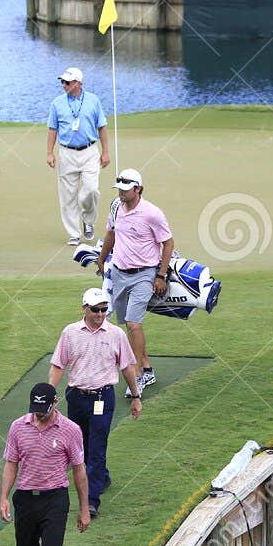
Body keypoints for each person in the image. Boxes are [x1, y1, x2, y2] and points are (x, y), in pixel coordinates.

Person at [0, 383, 90, 546]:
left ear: (55, 403)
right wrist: (3, 497)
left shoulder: (70, 430)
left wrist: (84, 509)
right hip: (25, 499)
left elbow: (79, 471)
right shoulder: (18, 427)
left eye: (44, 409)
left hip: (55, 500)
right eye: (36, 409)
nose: (39, 414)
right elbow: (11, 463)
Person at [48, 286, 141, 517]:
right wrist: (50, 394)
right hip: (76, 397)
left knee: (97, 446)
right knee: (81, 445)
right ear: (84, 308)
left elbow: (127, 367)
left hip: (102, 397)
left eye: (103, 309)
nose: (100, 314)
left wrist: (135, 396)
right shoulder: (70, 332)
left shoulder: (116, 334)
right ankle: (103, 476)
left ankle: (91, 500)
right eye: (95, 310)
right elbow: (58, 365)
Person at [94, 168, 173, 397]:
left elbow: (168, 243)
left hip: (144, 274)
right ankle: (147, 369)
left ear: (138, 189)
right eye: (119, 188)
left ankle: (136, 377)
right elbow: (111, 234)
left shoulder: (152, 214)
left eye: (125, 189)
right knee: (128, 325)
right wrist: (101, 259)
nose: (121, 193)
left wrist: (161, 275)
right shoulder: (115, 207)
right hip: (119, 273)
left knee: (133, 323)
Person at [44, 67, 112, 246]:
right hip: (66, 153)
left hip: (89, 151)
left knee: (91, 190)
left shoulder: (93, 100)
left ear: (78, 83)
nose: (63, 85)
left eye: (67, 82)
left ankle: (88, 220)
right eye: (62, 82)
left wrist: (105, 151)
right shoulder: (57, 103)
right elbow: (52, 129)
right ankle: (74, 233)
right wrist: (49, 153)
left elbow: (102, 127)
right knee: (68, 196)